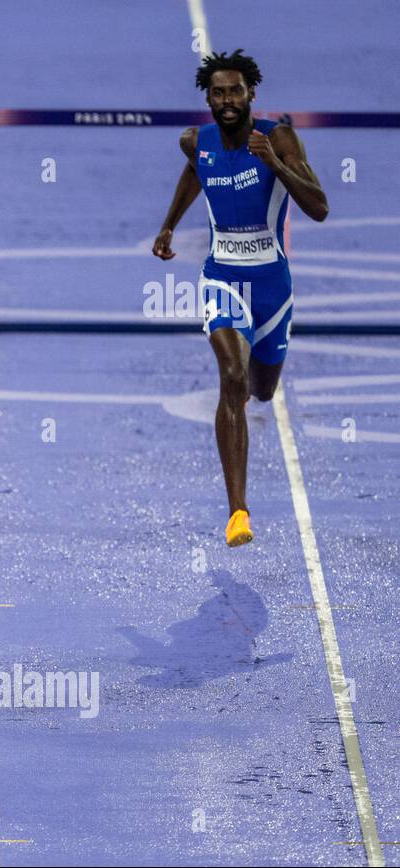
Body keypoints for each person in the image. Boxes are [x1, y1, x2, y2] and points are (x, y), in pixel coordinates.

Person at [153, 51, 328, 546]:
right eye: (218, 93)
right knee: (231, 379)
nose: (227, 100)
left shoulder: (277, 139)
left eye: (235, 91)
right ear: (207, 98)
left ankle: (257, 373)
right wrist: (169, 224)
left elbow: (319, 207)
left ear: (252, 94)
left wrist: (273, 163)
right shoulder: (196, 141)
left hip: (273, 288)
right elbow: (195, 171)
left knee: (262, 389)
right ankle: (238, 513)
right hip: (223, 279)